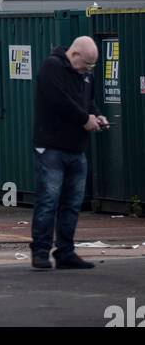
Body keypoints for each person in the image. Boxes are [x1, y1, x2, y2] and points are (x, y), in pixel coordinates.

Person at [31, 36, 108, 270]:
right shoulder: (51, 68)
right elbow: (59, 101)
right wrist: (85, 119)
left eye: (92, 65)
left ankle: (65, 251)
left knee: (72, 204)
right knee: (49, 201)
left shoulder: (85, 75)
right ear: (74, 55)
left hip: (76, 148)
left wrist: (96, 116)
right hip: (51, 146)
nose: (89, 69)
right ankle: (41, 251)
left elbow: (88, 102)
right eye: (87, 63)